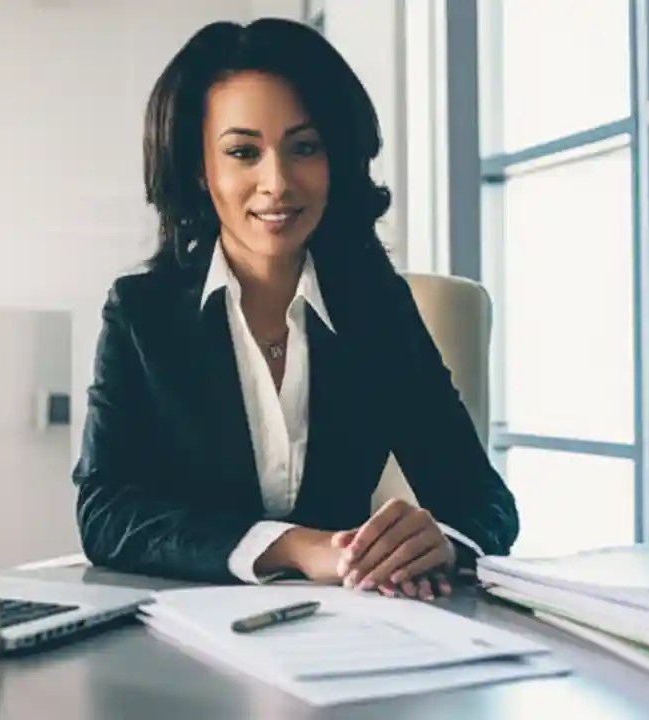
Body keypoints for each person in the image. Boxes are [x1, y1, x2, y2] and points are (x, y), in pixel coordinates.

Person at [72, 18, 517, 600]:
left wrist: (443, 539)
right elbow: (105, 511)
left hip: (345, 635)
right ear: (200, 170)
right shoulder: (141, 313)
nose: (277, 182)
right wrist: (295, 546)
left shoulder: (377, 309)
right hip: (183, 633)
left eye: (304, 148)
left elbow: (485, 503)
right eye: (243, 152)